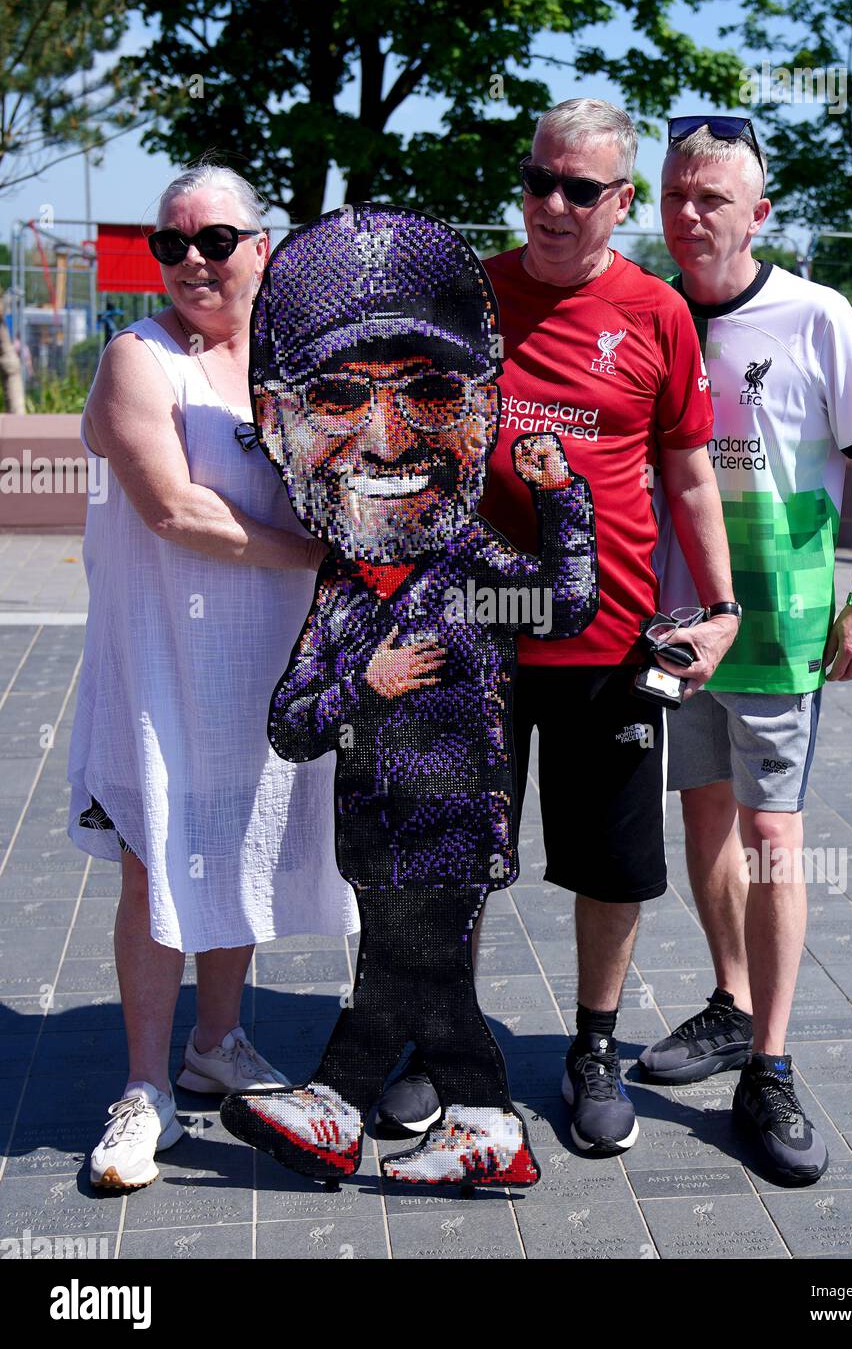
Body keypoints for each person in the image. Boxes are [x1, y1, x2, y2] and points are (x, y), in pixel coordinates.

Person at [379, 98, 741, 1156]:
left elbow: (684, 467)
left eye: (578, 189)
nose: (549, 203)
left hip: (608, 643)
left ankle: (591, 1045)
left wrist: (717, 607)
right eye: (537, 179)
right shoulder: (465, 296)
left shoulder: (657, 315)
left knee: (608, 864)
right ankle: (441, 1041)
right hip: (476, 636)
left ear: (619, 202)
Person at [219, 205, 598, 1189]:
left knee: (403, 967)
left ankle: (345, 1106)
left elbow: (563, 601)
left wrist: (561, 498)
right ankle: (474, 1125)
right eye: (340, 394)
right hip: (372, 831)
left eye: (429, 391)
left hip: (452, 826)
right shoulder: (342, 587)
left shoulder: (470, 570)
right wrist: (362, 680)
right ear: (275, 420)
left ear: (483, 405)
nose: (387, 441)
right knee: (408, 975)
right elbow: (293, 721)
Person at [67, 164, 359, 1192]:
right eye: (171, 242)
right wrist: (325, 558)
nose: (192, 260)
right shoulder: (137, 360)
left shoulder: (289, 368)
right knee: (155, 860)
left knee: (236, 840)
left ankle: (217, 1042)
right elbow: (174, 511)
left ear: (261, 249)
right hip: (159, 664)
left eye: (216, 239)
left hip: (263, 665)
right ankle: (144, 1087)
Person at [641, 117, 852, 1185]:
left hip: (783, 624)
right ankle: (730, 1003)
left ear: (757, 212)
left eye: (712, 197)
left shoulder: (816, 314)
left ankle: (772, 1065)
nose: (690, 214)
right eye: (674, 194)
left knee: (769, 830)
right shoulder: (647, 313)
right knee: (702, 813)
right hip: (672, 620)